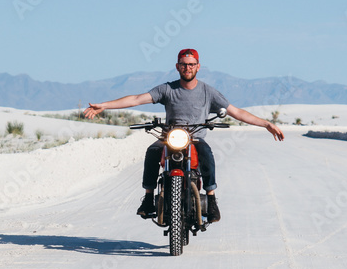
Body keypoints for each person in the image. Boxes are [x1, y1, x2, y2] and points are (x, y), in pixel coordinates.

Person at [84, 48, 284, 222]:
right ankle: (147, 197)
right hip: (170, 136)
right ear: (177, 66)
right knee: (153, 151)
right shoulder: (167, 89)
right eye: (183, 64)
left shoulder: (208, 92)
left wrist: (266, 123)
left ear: (198, 67)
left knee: (206, 153)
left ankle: (212, 199)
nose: (187, 68)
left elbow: (236, 112)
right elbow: (137, 99)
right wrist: (104, 105)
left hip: (195, 137)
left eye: (191, 64)